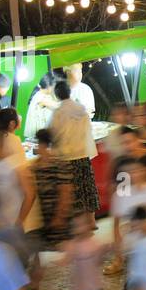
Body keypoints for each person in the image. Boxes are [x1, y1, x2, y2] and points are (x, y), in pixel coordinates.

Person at [45, 80, 100, 224]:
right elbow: (88, 129)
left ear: (57, 95)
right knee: (87, 187)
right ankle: (91, 220)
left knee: (72, 191)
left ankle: (79, 224)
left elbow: (52, 133)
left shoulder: (57, 113)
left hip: (66, 157)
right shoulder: (81, 108)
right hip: (82, 154)